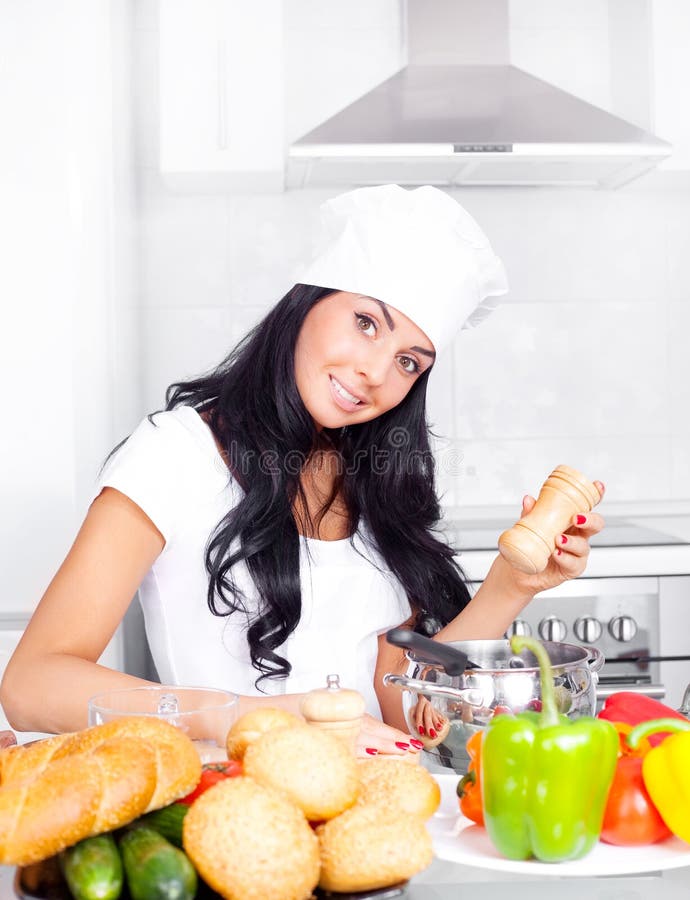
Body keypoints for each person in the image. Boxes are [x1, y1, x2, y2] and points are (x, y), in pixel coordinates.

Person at [0, 185, 604, 756]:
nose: (375, 373)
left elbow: (402, 710)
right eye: (366, 323)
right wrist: (257, 719)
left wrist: (511, 585)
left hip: (377, 823)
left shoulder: (373, 473)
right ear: (308, 301)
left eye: (408, 362)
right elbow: (31, 685)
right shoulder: (174, 453)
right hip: (240, 821)